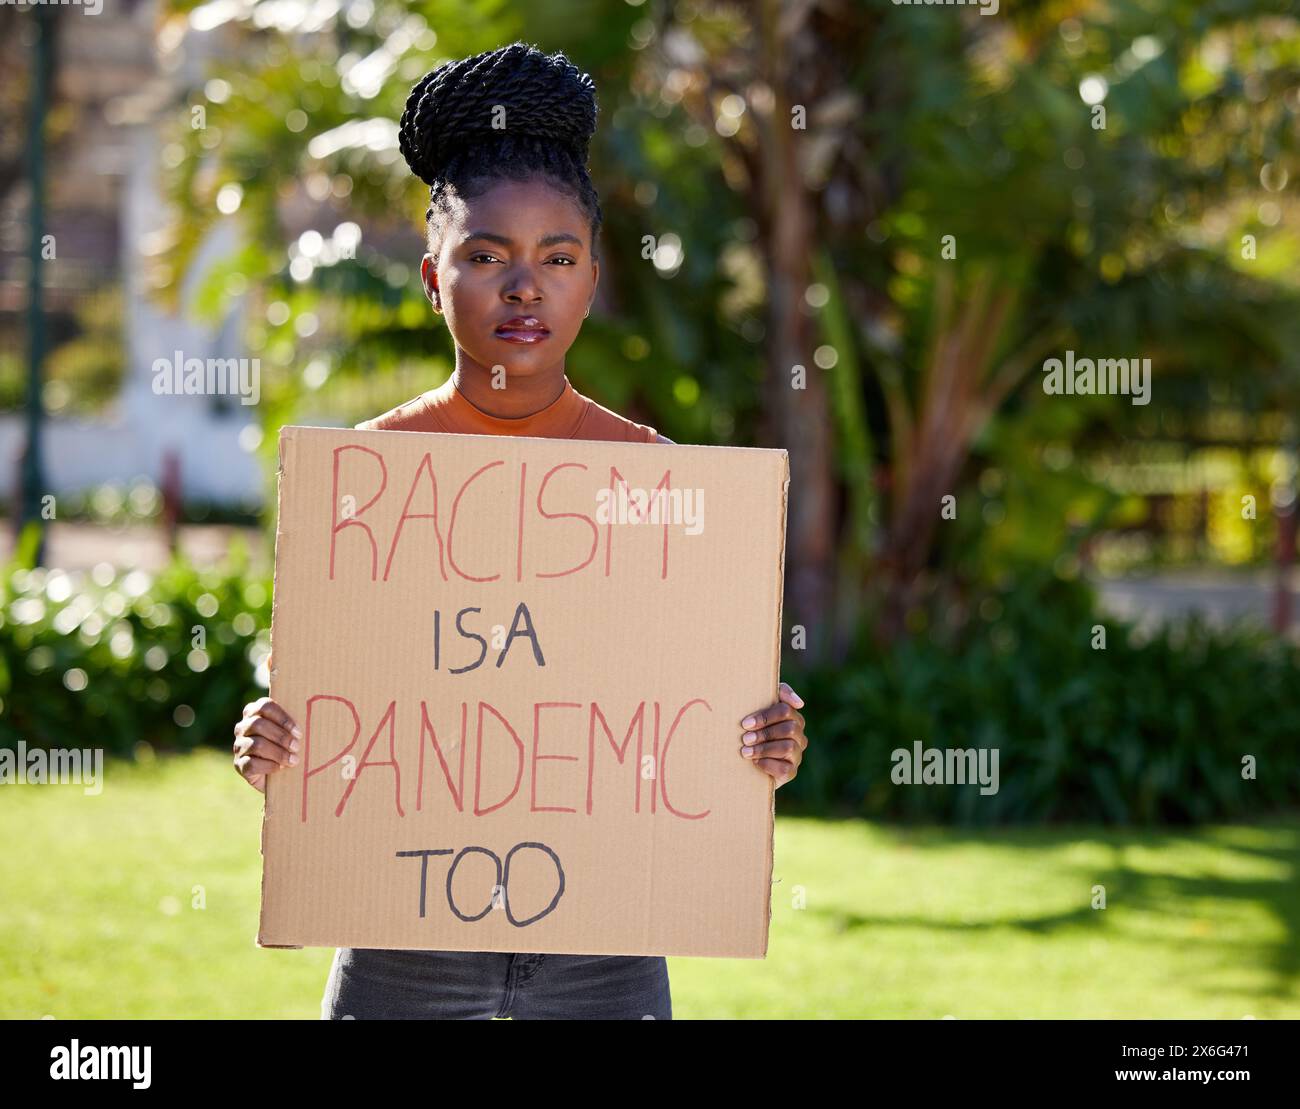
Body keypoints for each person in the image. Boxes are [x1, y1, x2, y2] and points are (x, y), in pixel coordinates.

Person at [232, 41, 809, 1020]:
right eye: (486, 256)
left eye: (556, 258)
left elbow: (672, 699)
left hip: (605, 947)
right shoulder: (368, 479)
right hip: (401, 943)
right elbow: (342, 691)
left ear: (592, 278)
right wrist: (273, 737)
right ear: (430, 276)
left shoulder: (655, 480)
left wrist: (758, 736)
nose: (523, 286)